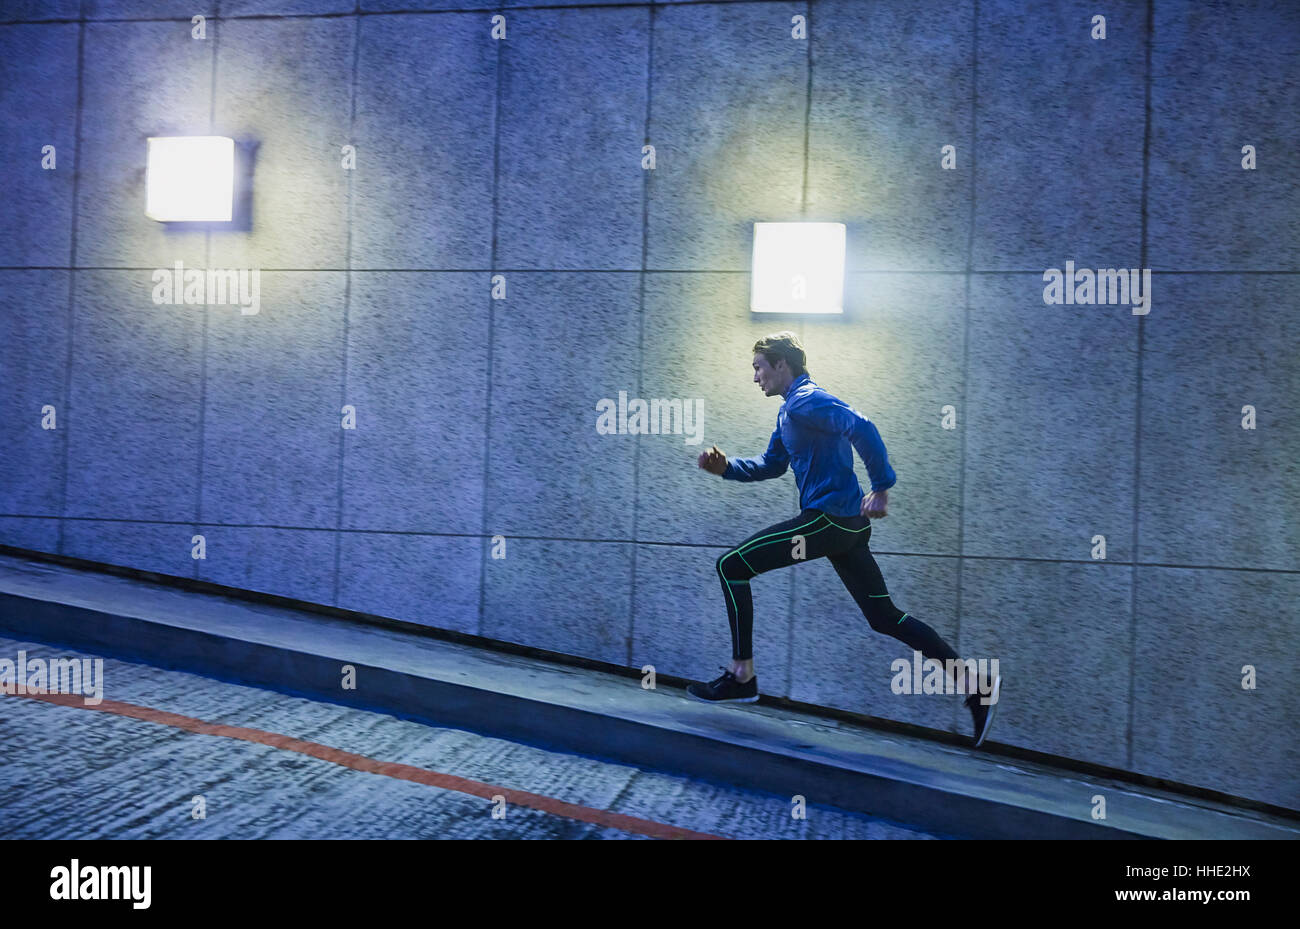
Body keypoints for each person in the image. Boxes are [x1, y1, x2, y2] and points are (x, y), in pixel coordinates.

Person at [690, 331, 1000, 747]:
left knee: (731, 567)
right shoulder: (789, 412)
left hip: (829, 521)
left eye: (758, 367)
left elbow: (861, 425)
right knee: (885, 617)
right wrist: (726, 467)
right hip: (846, 529)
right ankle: (976, 684)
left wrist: (882, 486)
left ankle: (741, 675)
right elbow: (771, 465)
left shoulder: (806, 400)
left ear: (783, 365)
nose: (755, 377)